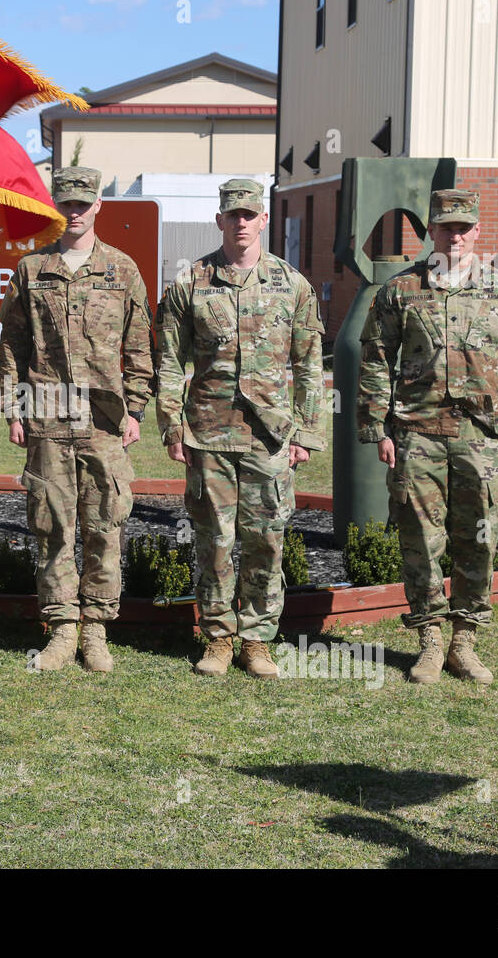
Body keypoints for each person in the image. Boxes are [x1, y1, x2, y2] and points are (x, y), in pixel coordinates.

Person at [357, 189, 498, 685]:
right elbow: (374, 359)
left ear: (477, 231)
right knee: (419, 537)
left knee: (480, 534)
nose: (454, 235)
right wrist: (377, 428)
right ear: (430, 231)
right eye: (445, 227)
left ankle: (465, 641)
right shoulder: (399, 291)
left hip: (480, 435)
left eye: (463, 227)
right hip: (417, 433)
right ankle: (430, 641)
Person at [154, 178, 326, 678]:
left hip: (269, 436)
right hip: (208, 433)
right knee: (214, 541)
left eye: (250, 214)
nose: (242, 222)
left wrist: (307, 433)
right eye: (233, 215)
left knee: (267, 540)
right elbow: (168, 361)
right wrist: (171, 426)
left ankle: (257, 639)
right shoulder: (191, 282)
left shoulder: (292, 285)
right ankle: (218, 638)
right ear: (220, 220)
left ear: (264, 220)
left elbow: (310, 364)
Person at [0, 166, 153, 672]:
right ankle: (62, 629)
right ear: (55, 207)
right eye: (67, 203)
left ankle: (97, 632)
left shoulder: (122, 269)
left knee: (105, 522)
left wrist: (136, 408)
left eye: (84, 203)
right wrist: (14, 408)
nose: (75, 212)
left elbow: (139, 346)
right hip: (46, 415)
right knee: (51, 524)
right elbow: (13, 345)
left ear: (99, 206)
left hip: (105, 420)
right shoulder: (31, 269)